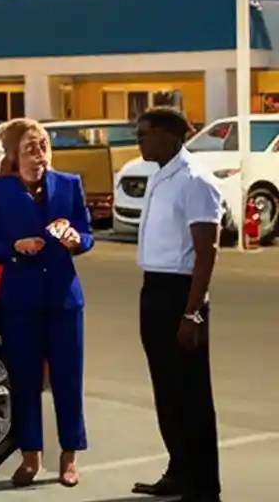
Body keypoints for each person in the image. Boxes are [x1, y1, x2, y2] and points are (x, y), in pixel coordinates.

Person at [0, 118, 91, 488]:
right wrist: (14, 247)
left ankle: (70, 457)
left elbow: (87, 233)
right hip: (20, 300)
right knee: (24, 380)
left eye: (42, 145)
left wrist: (77, 240)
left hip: (64, 299)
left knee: (68, 380)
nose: (38, 154)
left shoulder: (69, 185)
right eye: (29, 147)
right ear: (12, 154)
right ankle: (30, 457)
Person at [130, 107, 223, 502]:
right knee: (166, 389)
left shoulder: (195, 180)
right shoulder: (160, 176)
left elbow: (207, 252)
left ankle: (203, 485)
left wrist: (192, 311)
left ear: (170, 136)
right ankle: (178, 469)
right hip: (154, 288)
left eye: (145, 134)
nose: (139, 141)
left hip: (180, 293)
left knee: (191, 393)